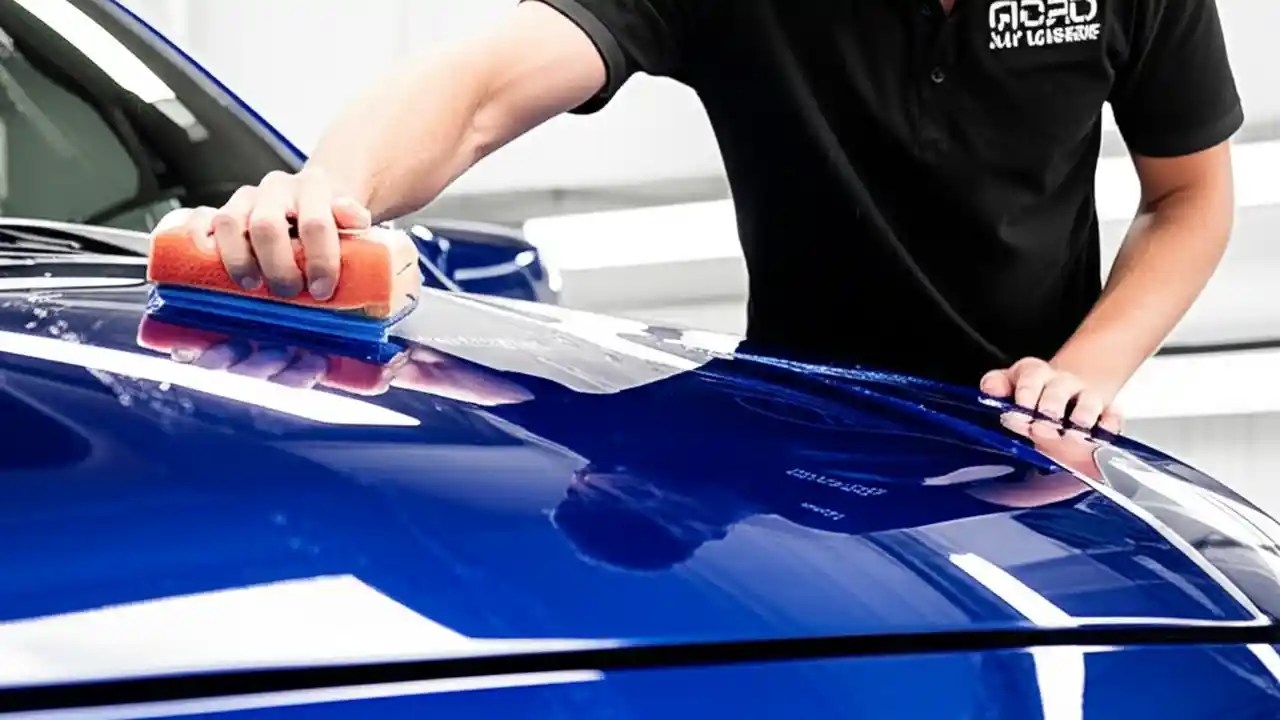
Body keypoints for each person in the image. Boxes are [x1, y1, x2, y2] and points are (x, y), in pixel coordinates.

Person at [161, 0, 1243, 433]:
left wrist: (1086, 372)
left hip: (1034, 444)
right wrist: (329, 192)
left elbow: (1186, 194)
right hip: (778, 439)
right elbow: (483, 90)